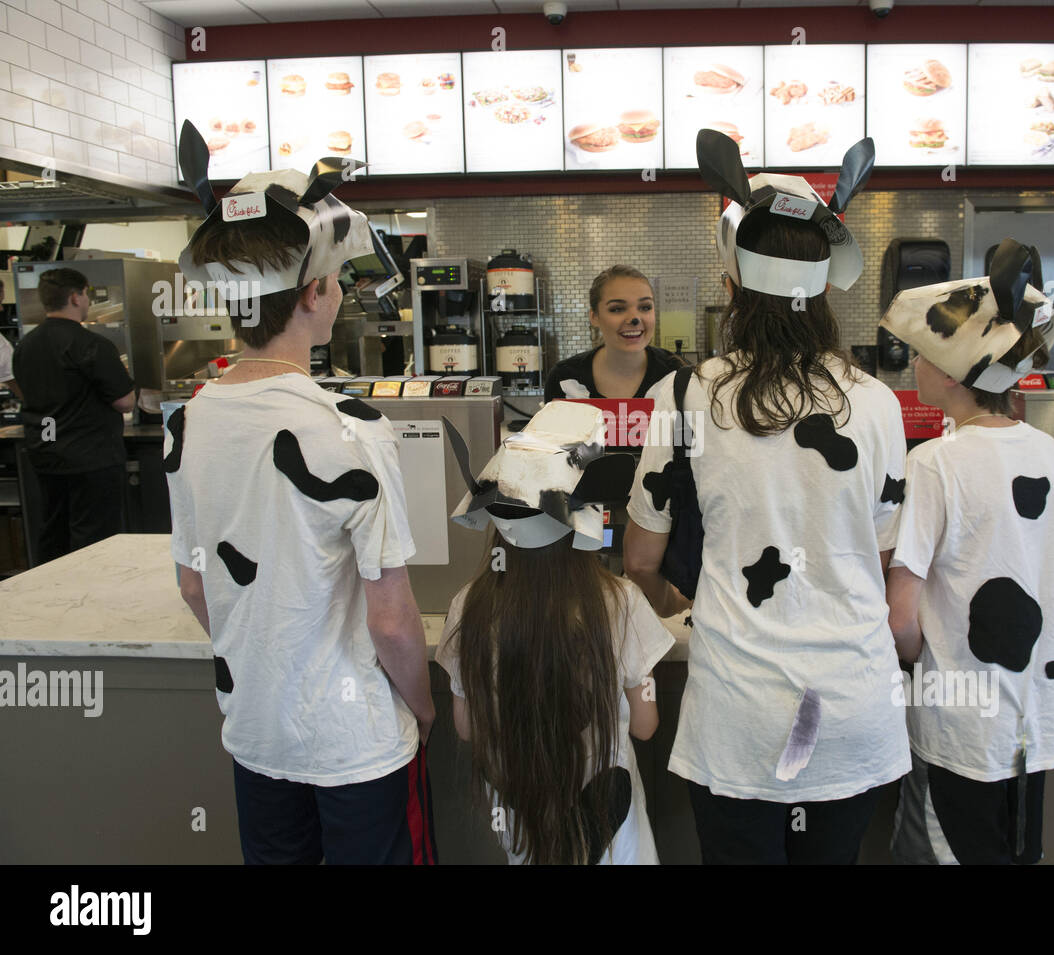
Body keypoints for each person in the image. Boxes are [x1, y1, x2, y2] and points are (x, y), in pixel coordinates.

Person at [623, 130, 910, 864]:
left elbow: (640, 557)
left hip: (738, 713)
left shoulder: (685, 393)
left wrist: (685, 604)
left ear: (731, 285)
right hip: (850, 706)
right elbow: (883, 561)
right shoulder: (877, 402)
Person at [165, 121, 436, 865]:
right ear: (316, 292)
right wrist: (424, 704)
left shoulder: (187, 422)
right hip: (353, 745)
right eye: (339, 282)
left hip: (256, 730)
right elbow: (392, 622)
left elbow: (196, 586)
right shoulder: (353, 428)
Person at [879, 238, 1054, 865]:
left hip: (960, 725)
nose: (911, 367)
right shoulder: (1045, 450)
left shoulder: (934, 462)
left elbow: (902, 616)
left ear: (949, 371)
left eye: (919, 355)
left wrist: (927, 652)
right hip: (1037, 714)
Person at [436, 401, 673, 864]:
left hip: (523, 829)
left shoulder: (471, 604)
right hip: (615, 840)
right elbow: (644, 727)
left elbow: (466, 727)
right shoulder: (619, 602)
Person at [12, 268, 134, 564]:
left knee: (53, 534)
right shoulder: (91, 345)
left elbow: (24, 392)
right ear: (75, 297)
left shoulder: (25, 346)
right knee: (94, 541)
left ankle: (52, 601)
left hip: (46, 455)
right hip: (91, 457)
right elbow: (125, 401)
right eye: (86, 295)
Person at [544, 265, 682, 401]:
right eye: (617, 309)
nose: (634, 319)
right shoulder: (563, 379)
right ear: (594, 317)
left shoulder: (676, 374)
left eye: (645, 307)